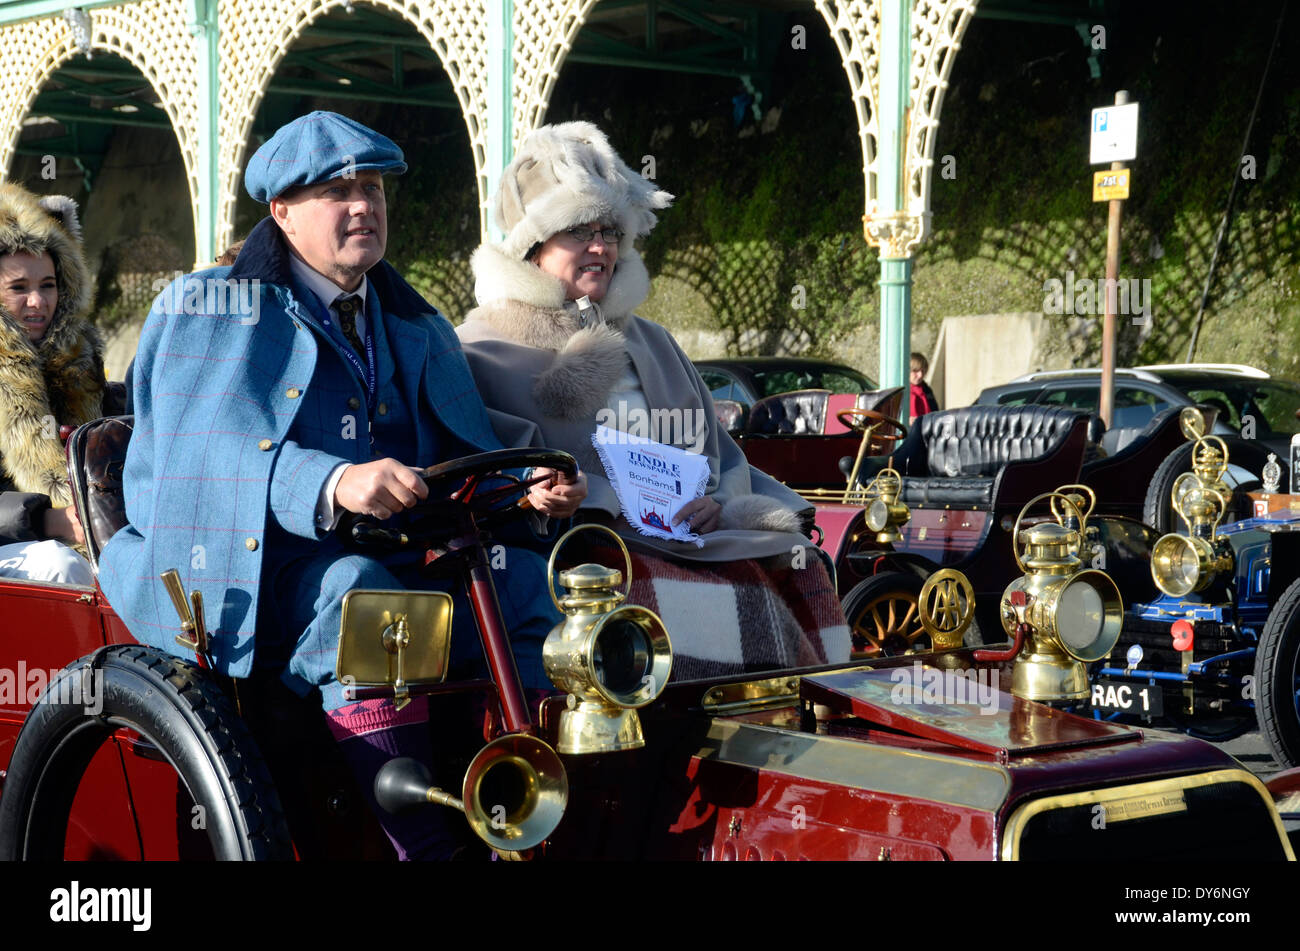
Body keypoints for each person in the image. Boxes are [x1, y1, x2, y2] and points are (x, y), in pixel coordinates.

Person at [99, 111, 585, 859]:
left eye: (372, 187)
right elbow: (197, 463)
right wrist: (332, 481)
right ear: (282, 213)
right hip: (247, 568)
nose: (363, 204)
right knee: (362, 594)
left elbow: (464, 450)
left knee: (529, 584)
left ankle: (524, 812)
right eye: (336, 191)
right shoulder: (208, 306)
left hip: (397, 556)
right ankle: (423, 842)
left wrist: (526, 488)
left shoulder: (413, 318)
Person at [456, 122, 849, 675]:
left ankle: (819, 714)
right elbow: (475, 473)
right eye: (578, 230)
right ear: (532, 247)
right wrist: (536, 493)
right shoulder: (480, 347)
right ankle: (727, 745)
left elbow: (721, 454)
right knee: (723, 598)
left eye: (610, 231)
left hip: (694, 532)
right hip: (589, 552)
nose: (600, 247)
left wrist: (716, 499)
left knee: (801, 561)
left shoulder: (655, 340)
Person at [0, 183, 101, 586]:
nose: (38, 302)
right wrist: (47, 518)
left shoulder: (82, 357)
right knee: (63, 567)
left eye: (48, 285)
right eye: (18, 288)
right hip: (25, 544)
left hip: (92, 534)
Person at [910, 352, 939, 420]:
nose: (920, 375)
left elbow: (936, 413)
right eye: (915, 371)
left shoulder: (927, 390)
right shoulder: (903, 392)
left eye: (923, 371)